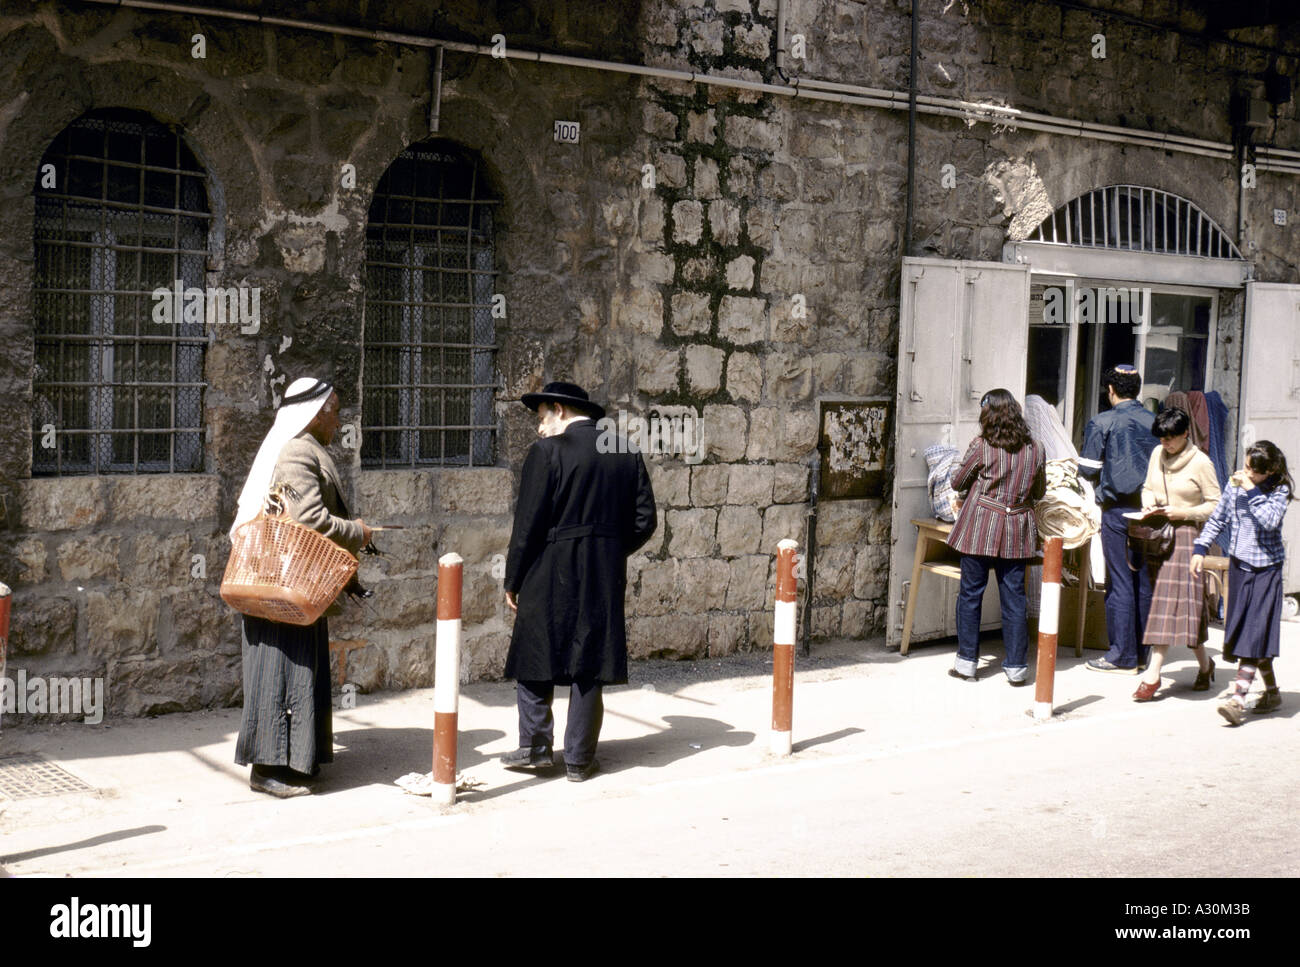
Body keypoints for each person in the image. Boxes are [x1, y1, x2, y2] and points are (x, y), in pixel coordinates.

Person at [500, 382, 657, 781]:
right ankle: (579, 760)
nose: (539, 429)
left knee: (536, 654)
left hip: (548, 566)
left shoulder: (547, 453)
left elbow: (527, 526)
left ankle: (535, 748)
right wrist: (608, 549)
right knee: (591, 659)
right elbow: (645, 520)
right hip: (603, 572)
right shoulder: (624, 450)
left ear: (560, 409)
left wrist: (513, 578)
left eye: (542, 418)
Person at [231, 378, 372, 798]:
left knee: (295, 671)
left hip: (294, 584)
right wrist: (357, 532)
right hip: (281, 586)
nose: (339, 419)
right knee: (277, 671)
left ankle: (295, 762)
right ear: (314, 413)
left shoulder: (302, 447)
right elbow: (308, 519)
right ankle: (267, 770)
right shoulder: (295, 451)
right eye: (335, 411)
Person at [946, 388, 1046, 685]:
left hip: (980, 527)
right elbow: (1039, 492)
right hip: (1017, 528)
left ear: (988, 415)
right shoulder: (1036, 448)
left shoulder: (981, 445)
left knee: (970, 594)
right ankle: (1016, 668)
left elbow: (957, 480)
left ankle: (967, 664)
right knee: (1014, 599)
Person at [1190, 441, 1292, 725]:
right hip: (1239, 567)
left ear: (1269, 471)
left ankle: (1238, 700)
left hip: (1266, 570)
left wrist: (1250, 489)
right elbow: (1218, 518)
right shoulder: (1235, 484)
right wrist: (1200, 548)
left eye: (1253, 470)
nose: (1246, 472)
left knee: (1253, 634)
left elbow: (1268, 521)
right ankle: (1272, 693)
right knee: (1247, 634)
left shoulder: (1279, 491)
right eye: (1246, 465)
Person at [1133, 407, 1221, 701]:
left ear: (1185, 434)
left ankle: (1152, 675)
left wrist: (1184, 511)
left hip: (1186, 536)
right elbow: (1147, 487)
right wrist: (1148, 503)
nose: (1165, 444)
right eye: (1161, 438)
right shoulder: (1157, 455)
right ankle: (1206, 665)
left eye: (1170, 438)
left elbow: (1216, 505)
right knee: (1183, 607)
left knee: (1165, 604)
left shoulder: (1201, 463)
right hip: (1158, 534)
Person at [1078, 364, 1157, 674]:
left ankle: (1120, 656)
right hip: (1151, 512)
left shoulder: (1102, 422)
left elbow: (1087, 470)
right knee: (1144, 582)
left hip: (1117, 511)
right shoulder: (1154, 421)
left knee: (1120, 582)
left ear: (1110, 391)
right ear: (1136, 389)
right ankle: (1141, 656)